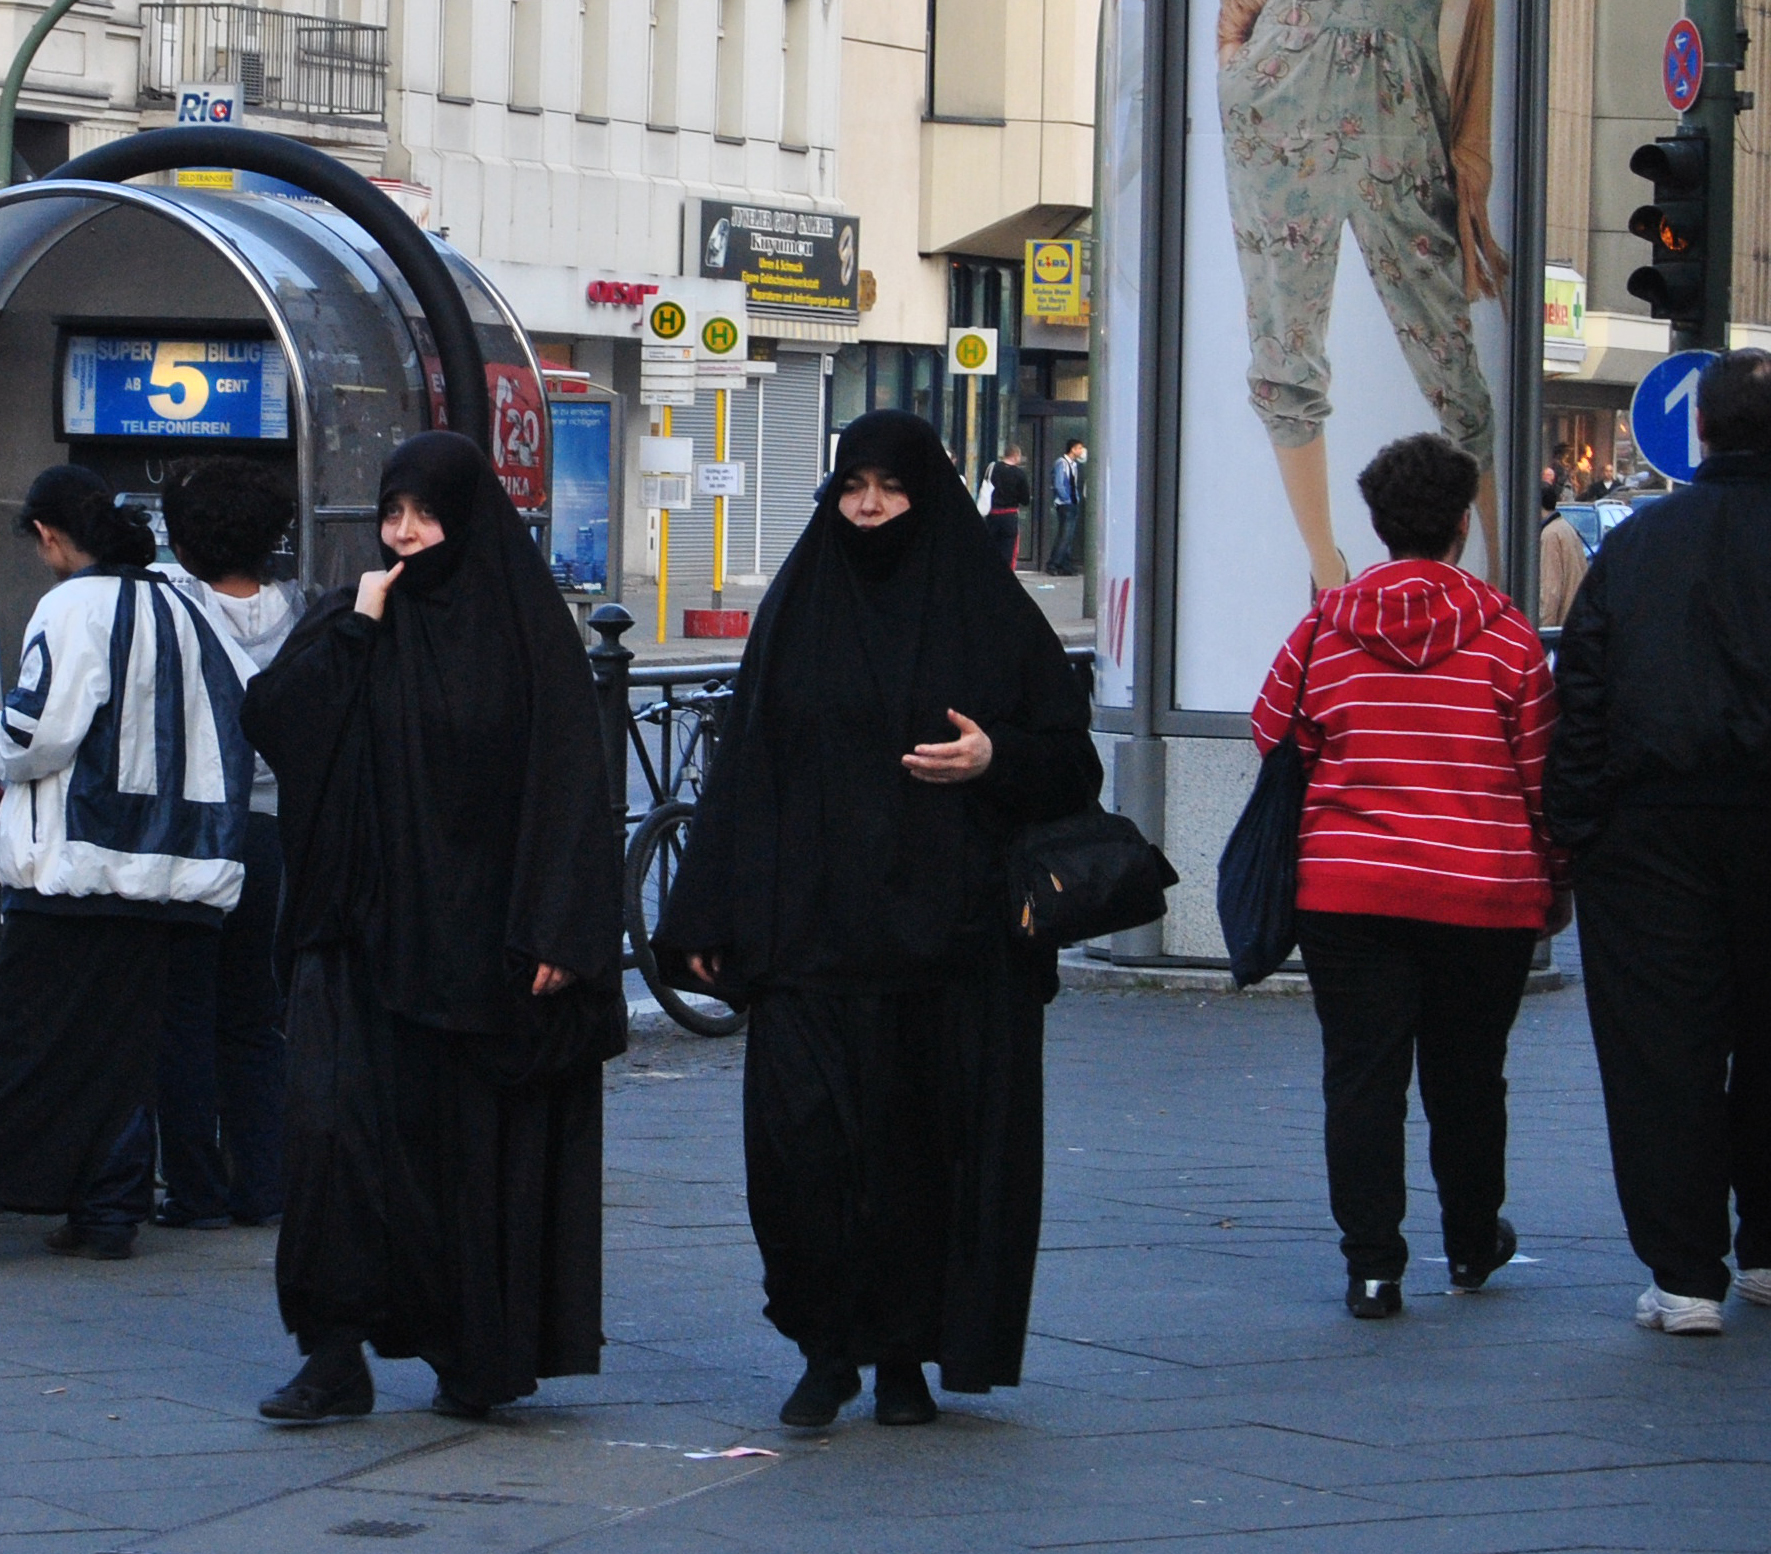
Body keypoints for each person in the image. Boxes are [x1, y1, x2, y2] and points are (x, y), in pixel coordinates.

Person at [653, 409, 1101, 1428]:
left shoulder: (986, 612)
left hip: (951, 945)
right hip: (811, 934)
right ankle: (824, 1347)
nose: (867, 507)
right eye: (851, 487)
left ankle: (902, 1355)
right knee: (803, 1154)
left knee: (922, 1159)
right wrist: (710, 909)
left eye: (889, 488)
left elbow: (1070, 761)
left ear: (928, 495)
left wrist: (996, 760)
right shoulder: (801, 603)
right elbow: (746, 765)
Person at [242, 431, 626, 1422]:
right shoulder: (357, 615)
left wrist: (557, 929)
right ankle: (332, 1353)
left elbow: (569, 789)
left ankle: (471, 1348)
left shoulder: (521, 628)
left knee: (463, 1156)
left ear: (467, 514)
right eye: (391, 511)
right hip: (352, 935)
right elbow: (276, 721)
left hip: (472, 947)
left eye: (424, 512)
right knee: (329, 1139)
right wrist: (355, 633)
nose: (405, 532)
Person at [1251, 433, 1567, 1320]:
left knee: (1361, 1076)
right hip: (1483, 891)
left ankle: (1372, 1268)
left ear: (1378, 524)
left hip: (1348, 891)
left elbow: (1274, 730)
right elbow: (1541, 769)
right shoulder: (1505, 637)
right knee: (1470, 1075)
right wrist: (1557, 877)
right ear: (1463, 522)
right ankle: (1470, 1245)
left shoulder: (1325, 624)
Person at [1545, 349, 1771, 1337]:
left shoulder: (1636, 547)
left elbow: (1582, 694)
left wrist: (1575, 829)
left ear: (1702, 432)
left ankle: (1685, 1274)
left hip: (1649, 831)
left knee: (1661, 1049)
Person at [0, 467, 254, 1259]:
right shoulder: (183, 602)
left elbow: (40, 732)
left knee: (30, 1044)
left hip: (80, 864)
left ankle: (42, 1191)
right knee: (124, 1055)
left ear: (48, 534)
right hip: (180, 872)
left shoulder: (71, 605)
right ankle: (108, 1211)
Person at [1217, 0, 1509, 591]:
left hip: (1399, 107)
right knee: (1284, 350)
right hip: (1283, 100)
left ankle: (1498, 569)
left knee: (1448, 352)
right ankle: (1326, 571)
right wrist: (1235, 63)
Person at [148, 460, 304, 1230]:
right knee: (254, 1015)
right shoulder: (302, 612)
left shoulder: (166, 607)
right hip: (272, 829)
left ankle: (195, 1188)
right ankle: (265, 1184)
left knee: (183, 1014)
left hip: (192, 828)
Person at [1538, 481, 1588, 629]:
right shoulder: (1564, 527)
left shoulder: (1549, 535)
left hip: (1560, 628)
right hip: (1575, 621)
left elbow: (1550, 591)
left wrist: (1543, 630)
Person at [980, 443, 1031, 568]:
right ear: (1015, 456)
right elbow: (1025, 499)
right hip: (1009, 515)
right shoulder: (1019, 474)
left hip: (991, 515)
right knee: (1009, 551)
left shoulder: (991, 468)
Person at [1047, 438, 1085, 575]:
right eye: (1079, 448)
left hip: (1072, 503)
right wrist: (1067, 499)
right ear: (1073, 449)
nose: (1081, 451)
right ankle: (1053, 564)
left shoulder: (1074, 465)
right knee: (1064, 535)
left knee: (1068, 536)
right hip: (1066, 504)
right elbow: (1059, 483)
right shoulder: (1061, 463)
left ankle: (1065, 564)